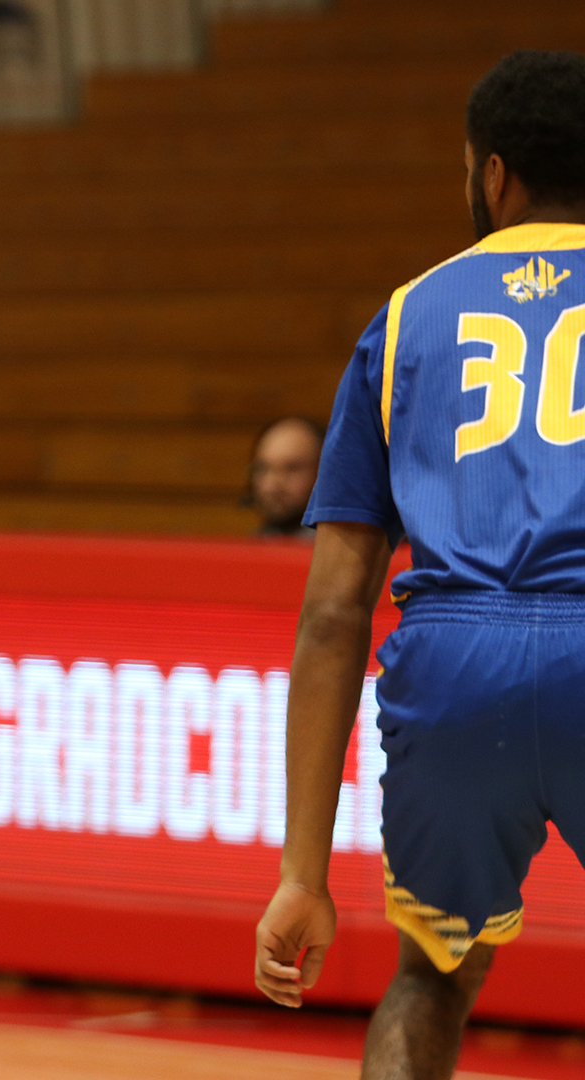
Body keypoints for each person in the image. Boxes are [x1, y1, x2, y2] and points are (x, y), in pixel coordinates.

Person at [255, 51, 585, 1080]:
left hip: (452, 665)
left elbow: (332, 611)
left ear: (494, 176)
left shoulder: (404, 317)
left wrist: (302, 873)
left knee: (431, 979)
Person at [248, 416, 323, 538]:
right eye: (263, 469)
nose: (272, 486)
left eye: (291, 469)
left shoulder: (343, 555)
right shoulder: (249, 549)